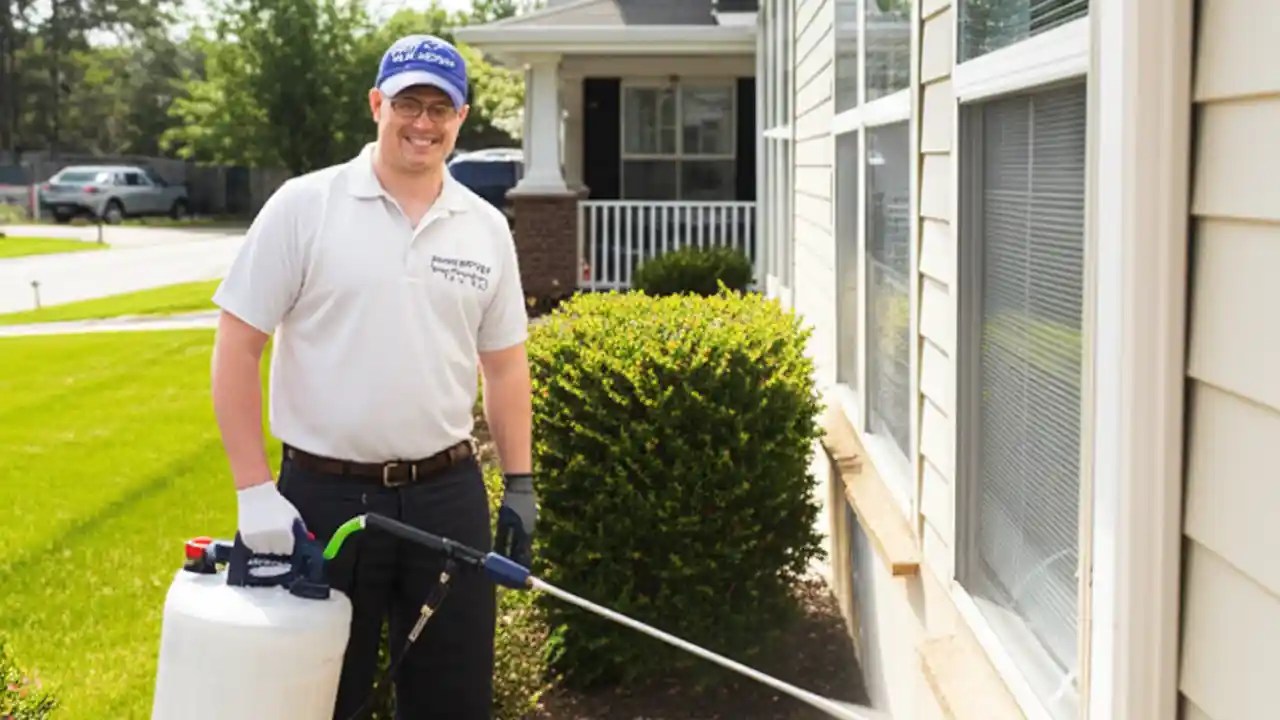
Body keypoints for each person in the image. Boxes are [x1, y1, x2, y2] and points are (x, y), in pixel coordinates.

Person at [209, 33, 536, 720]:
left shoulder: (484, 227)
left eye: (439, 109)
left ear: (462, 119)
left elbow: (504, 365)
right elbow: (238, 345)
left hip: (447, 496)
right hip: (322, 502)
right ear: (376, 104)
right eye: (408, 103)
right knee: (322, 700)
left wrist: (521, 483)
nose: (423, 123)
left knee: (453, 702)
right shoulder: (306, 206)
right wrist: (254, 491)